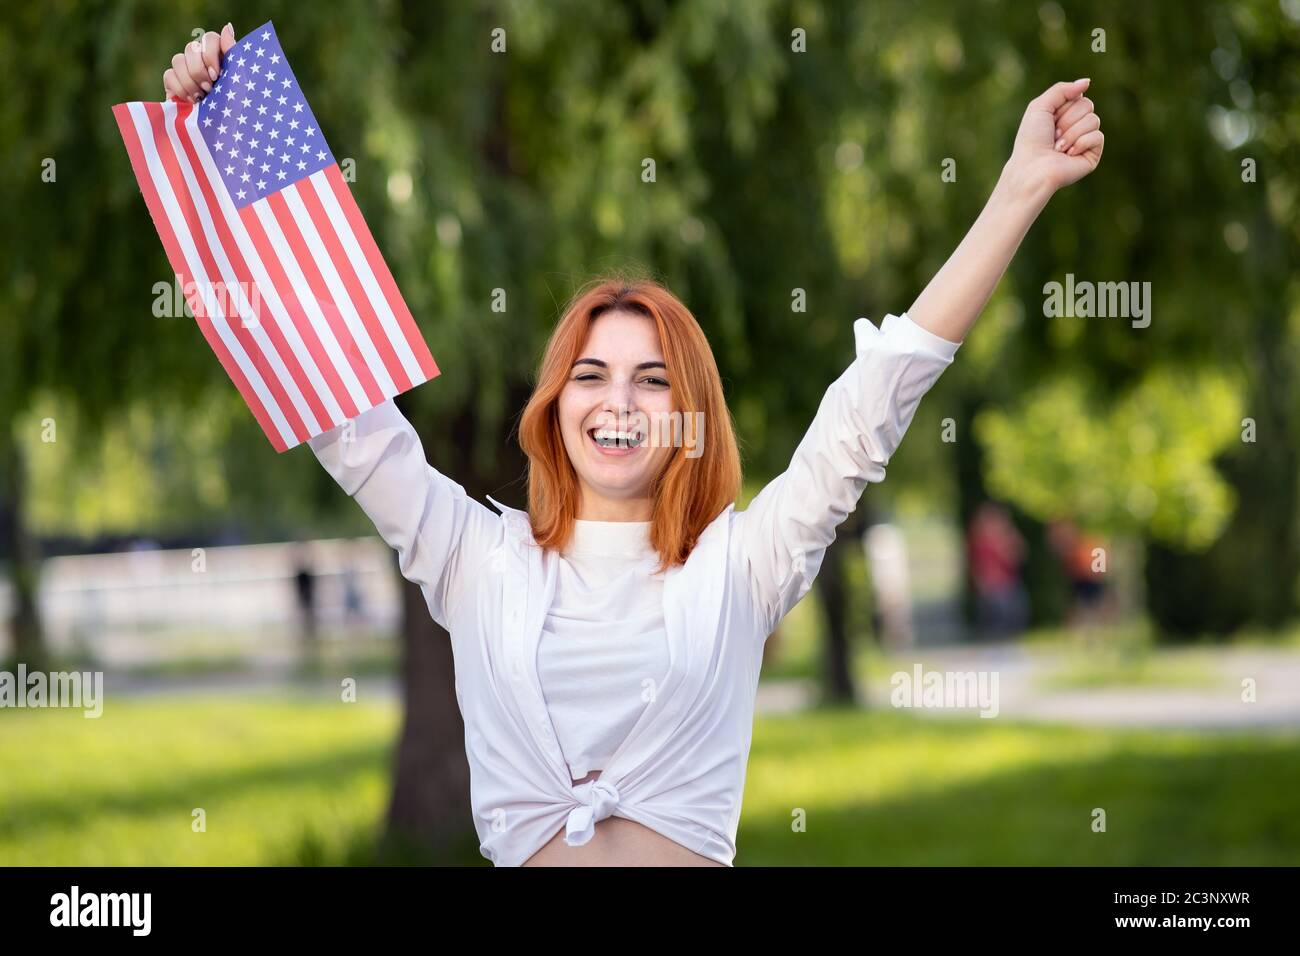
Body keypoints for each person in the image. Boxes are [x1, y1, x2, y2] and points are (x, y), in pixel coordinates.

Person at [160, 27, 1104, 866]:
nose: (620, 402)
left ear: (689, 415)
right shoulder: (474, 560)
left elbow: (877, 398)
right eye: (591, 375)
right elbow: (345, 417)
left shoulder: (741, 567)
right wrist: (226, 127)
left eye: (653, 380)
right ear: (555, 406)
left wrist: (1019, 190)